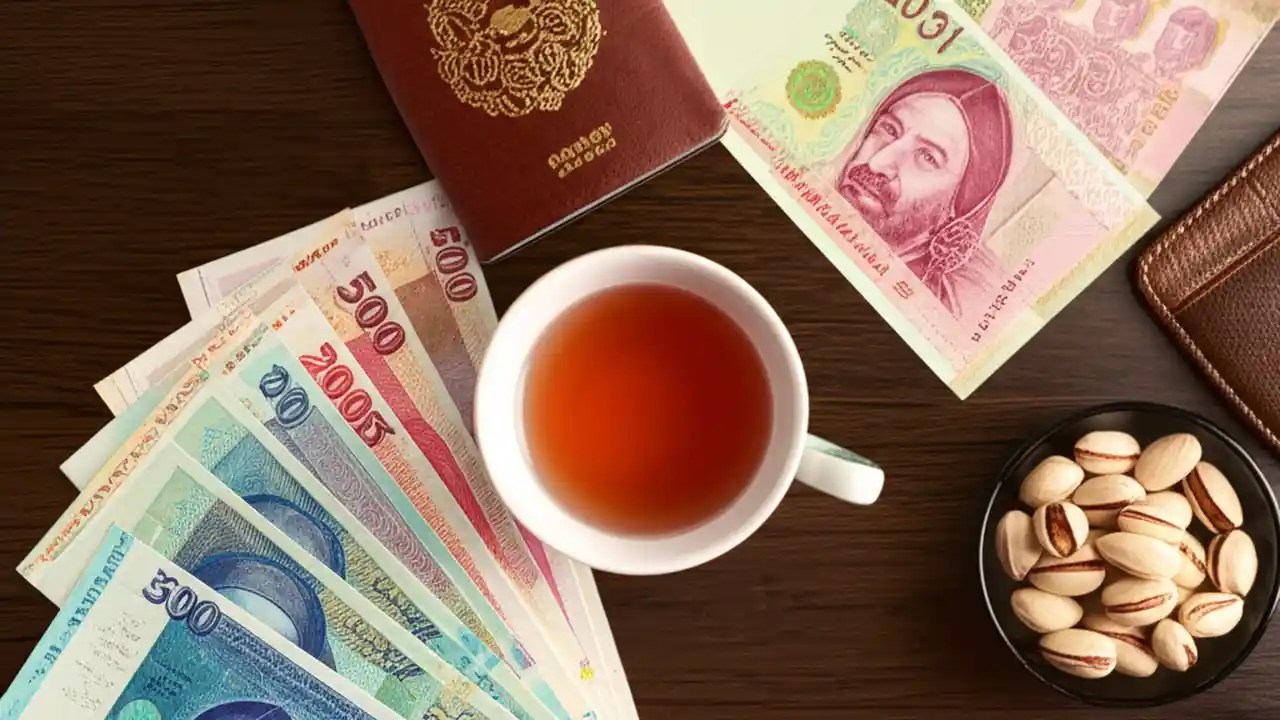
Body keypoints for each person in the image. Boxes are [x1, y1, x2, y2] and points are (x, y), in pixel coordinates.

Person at [834, 68, 1014, 316]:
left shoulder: (935, 314)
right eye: (890, 129)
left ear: (958, 208)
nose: (878, 163)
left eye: (928, 157)